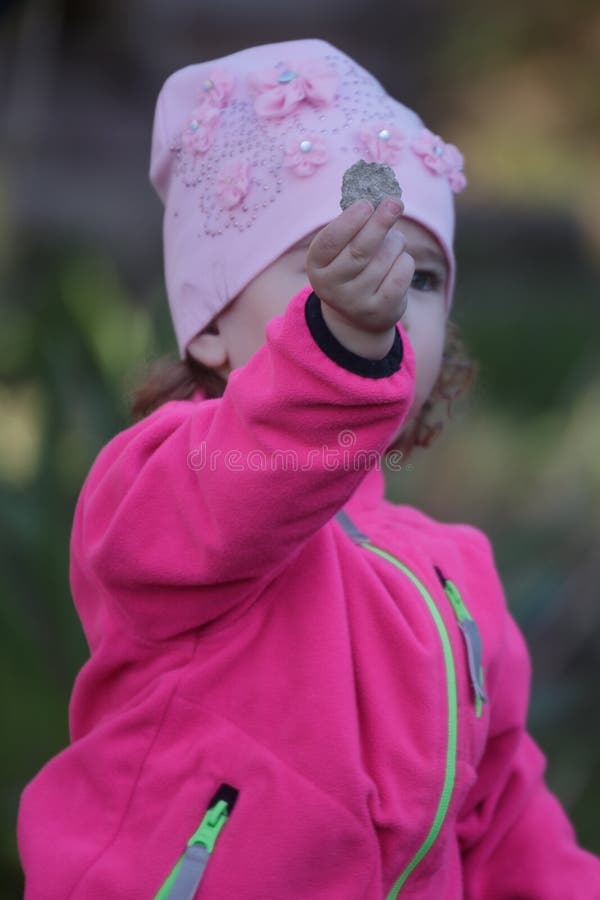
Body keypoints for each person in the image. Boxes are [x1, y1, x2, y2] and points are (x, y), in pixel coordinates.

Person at [17, 38, 600, 900]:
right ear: (209, 326)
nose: (389, 294)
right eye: (337, 264)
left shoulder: (459, 575)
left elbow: (505, 812)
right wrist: (339, 349)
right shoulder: (167, 483)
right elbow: (269, 465)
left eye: (423, 274)